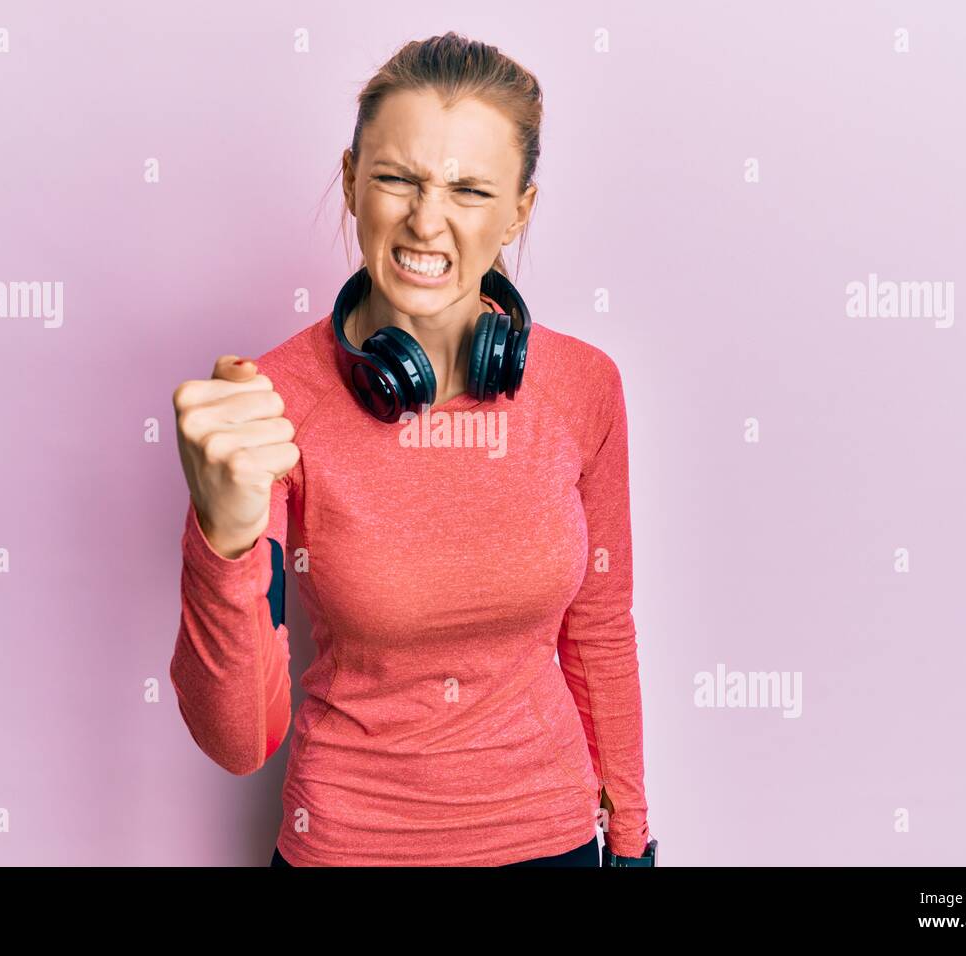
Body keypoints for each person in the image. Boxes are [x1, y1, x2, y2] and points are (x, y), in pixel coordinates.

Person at [169, 32, 651, 867]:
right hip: (350, 846)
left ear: (519, 211)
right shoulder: (270, 404)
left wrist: (635, 840)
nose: (427, 220)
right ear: (351, 182)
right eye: (397, 179)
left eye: (470, 189)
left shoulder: (585, 387)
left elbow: (601, 630)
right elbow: (240, 741)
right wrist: (226, 540)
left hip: (555, 840)